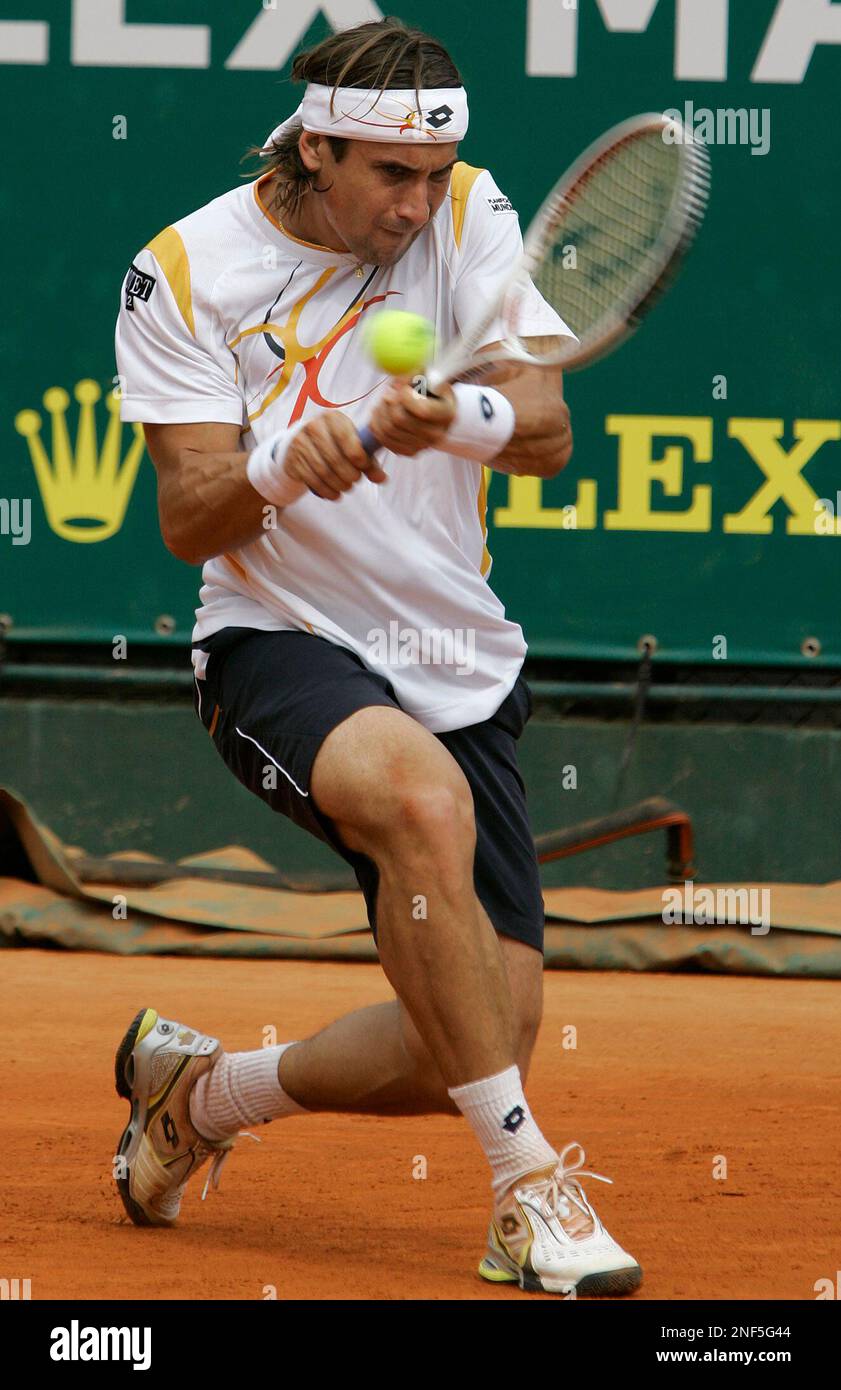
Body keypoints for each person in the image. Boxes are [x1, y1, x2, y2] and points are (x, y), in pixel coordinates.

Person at [113, 16, 641, 1298]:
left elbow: (544, 428)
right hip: (276, 638)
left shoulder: (469, 214)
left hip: (454, 651)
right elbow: (188, 517)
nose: (416, 204)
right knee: (420, 801)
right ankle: (527, 1189)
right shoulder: (182, 271)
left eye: (433, 174)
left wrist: (447, 414)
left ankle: (202, 1095)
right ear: (315, 149)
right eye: (391, 175)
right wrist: (278, 464)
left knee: (459, 1043)